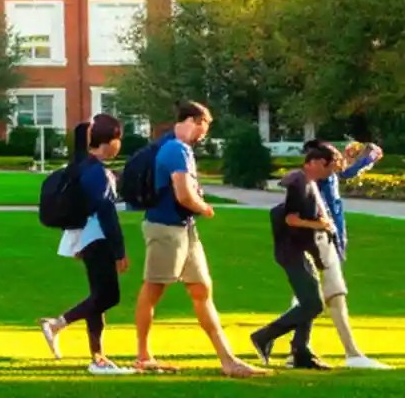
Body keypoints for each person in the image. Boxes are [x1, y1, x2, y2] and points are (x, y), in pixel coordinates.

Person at [134, 101, 265, 377]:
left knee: (201, 290)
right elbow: (183, 194)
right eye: (205, 127)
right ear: (195, 120)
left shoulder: (176, 147)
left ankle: (228, 360)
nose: (204, 134)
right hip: (165, 228)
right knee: (153, 290)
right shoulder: (176, 149)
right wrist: (204, 207)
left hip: (184, 228)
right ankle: (143, 355)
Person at [280, 141, 392, 370]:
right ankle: (351, 353)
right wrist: (367, 158)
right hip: (321, 239)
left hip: (327, 238)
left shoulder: (320, 175)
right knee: (331, 295)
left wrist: (358, 160)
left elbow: (343, 171)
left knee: (310, 297)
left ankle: (291, 347)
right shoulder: (315, 177)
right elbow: (346, 172)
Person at [38, 116, 133, 375]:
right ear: (110, 142)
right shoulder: (96, 172)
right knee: (108, 296)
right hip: (95, 236)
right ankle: (58, 324)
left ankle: (98, 358)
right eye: (118, 140)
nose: (119, 146)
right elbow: (106, 212)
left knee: (98, 296)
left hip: (82, 235)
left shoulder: (81, 164)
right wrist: (119, 250)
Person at [250, 141, 341, 370]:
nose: (330, 173)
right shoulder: (300, 182)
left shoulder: (308, 182)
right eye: (329, 168)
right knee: (313, 304)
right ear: (319, 163)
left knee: (308, 301)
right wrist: (319, 224)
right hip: (292, 251)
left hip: (301, 250)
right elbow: (291, 218)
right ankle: (264, 335)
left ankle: (302, 352)